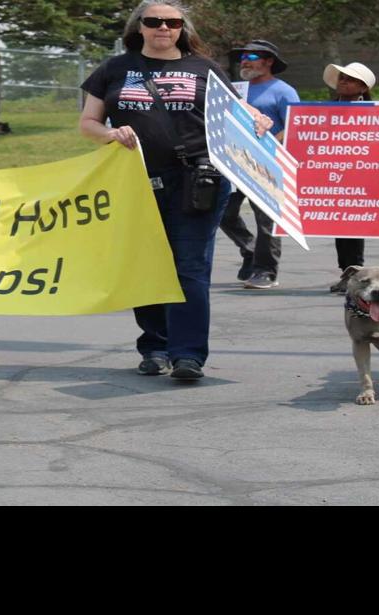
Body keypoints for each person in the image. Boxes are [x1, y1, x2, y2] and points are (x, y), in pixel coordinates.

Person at [78, 2, 272, 382]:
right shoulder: (114, 69)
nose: (163, 28)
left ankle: (188, 355)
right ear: (139, 27)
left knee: (190, 267)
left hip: (197, 182)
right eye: (154, 21)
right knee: (146, 265)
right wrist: (110, 133)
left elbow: (240, 110)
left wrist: (259, 118)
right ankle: (155, 347)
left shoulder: (204, 68)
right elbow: (88, 123)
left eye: (172, 22)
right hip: (134, 182)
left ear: (183, 28)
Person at [217, 39, 297, 290]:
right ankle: (250, 250)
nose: (244, 61)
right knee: (223, 212)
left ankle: (266, 271)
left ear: (269, 61)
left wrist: (268, 145)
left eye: (251, 57)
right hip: (234, 162)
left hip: (266, 164)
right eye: (242, 58)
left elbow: (294, 125)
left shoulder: (283, 91)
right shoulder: (235, 90)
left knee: (266, 220)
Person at [321, 62, 379, 294]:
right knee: (338, 226)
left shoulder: (376, 113)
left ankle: (355, 273)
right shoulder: (324, 111)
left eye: (350, 79)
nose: (343, 82)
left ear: (363, 87)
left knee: (354, 226)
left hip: (360, 176)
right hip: (332, 175)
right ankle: (346, 272)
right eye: (341, 78)